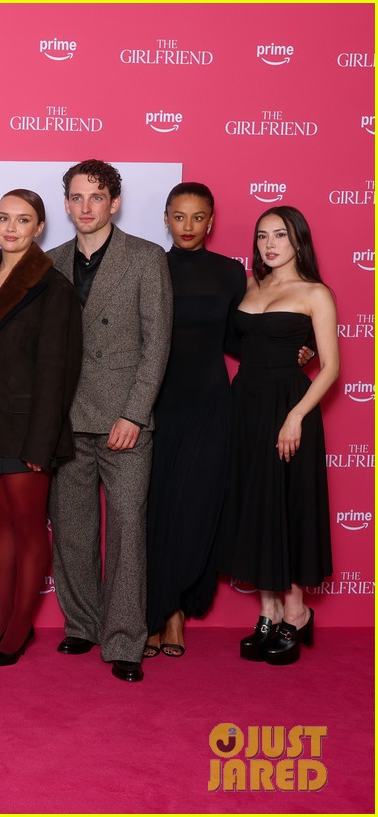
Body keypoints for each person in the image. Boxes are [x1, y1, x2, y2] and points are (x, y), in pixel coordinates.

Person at [46, 159, 172, 684]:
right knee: (72, 529)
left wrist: (133, 413)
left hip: (124, 420)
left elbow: (157, 344)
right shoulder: (48, 261)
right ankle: (82, 624)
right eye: (76, 198)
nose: (85, 208)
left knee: (126, 528)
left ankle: (124, 640)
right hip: (66, 418)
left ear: (114, 202)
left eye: (95, 197)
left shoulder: (145, 258)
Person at [0, 190, 82, 668]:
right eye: (3, 218)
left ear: (40, 228)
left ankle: (19, 630)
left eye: (23, 220)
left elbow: (58, 372)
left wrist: (42, 440)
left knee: (29, 528)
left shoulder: (54, 288)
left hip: (26, 428)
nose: (11, 228)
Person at [217, 206, 338, 666]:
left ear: (298, 241)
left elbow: (331, 368)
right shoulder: (250, 286)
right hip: (244, 404)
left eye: (281, 236)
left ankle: (296, 611)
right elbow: (241, 343)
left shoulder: (315, 293)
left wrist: (295, 417)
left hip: (290, 408)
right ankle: (267, 611)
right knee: (255, 504)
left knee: (285, 505)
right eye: (263, 236)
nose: (270, 244)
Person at [143, 183, 246, 660]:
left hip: (210, 405)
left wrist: (294, 352)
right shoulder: (150, 266)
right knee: (158, 509)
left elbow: (237, 340)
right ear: (166, 218)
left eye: (197, 217)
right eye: (179, 217)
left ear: (211, 221)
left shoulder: (229, 273)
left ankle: (176, 607)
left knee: (197, 507)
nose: (188, 226)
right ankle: (163, 613)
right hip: (157, 406)